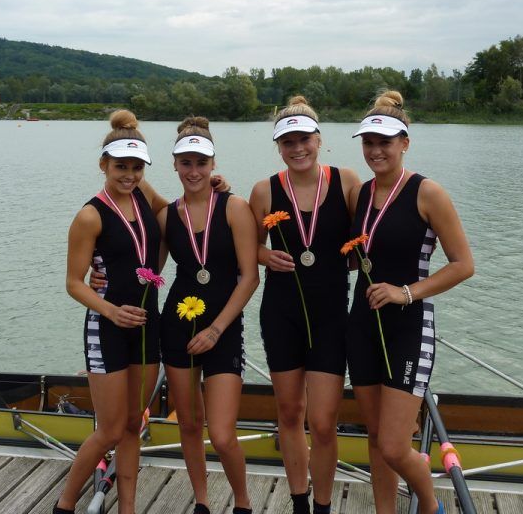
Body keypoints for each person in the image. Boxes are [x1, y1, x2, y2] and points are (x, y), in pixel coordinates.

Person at [346, 91, 474, 514]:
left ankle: (429, 503)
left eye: (385, 142)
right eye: (368, 142)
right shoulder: (360, 194)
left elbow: (463, 264)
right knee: (374, 436)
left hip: (409, 326)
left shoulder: (427, 192)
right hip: (363, 323)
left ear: (405, 142)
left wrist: (406, 292)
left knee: (395, 444)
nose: (376, 151)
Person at [249, 96, 361, 514]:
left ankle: (323, 505)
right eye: (288, 141)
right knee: (290, 412)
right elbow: (245, 248)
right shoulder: (264, 190)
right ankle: (299, 503)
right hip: (282, 314)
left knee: (325, 421)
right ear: (278, 145)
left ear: (320, 139)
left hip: (331, 315)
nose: (297, 148)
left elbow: (372, 234)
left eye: (305, 139)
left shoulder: (347, 181)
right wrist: (264, 256)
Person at [55, 110, 164, 514]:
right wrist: (111, 311)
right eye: (121, 166)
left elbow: (180, 218)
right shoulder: (89, 215)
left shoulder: (144, 195)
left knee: (135, 424)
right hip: (107, 328)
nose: (129, 175)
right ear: (103, 164)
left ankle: (128, 508)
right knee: (110, 430)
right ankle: (65, 503)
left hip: (146, 325)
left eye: (137, 167)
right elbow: (74, 283)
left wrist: (216, 186)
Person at [158, 116, 259, 514]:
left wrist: (217, 329)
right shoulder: (167, 216)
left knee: (220, 434)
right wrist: (100, 275)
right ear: (175, 165)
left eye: (201, 162)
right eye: (186, 163)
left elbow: (250, 278)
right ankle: (201, 501)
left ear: (213, 163)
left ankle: (242, 502)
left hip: (223, 329)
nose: (194, 171)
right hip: (177, 325)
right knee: (187, 425)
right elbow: (147, 270)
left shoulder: (235, 208)